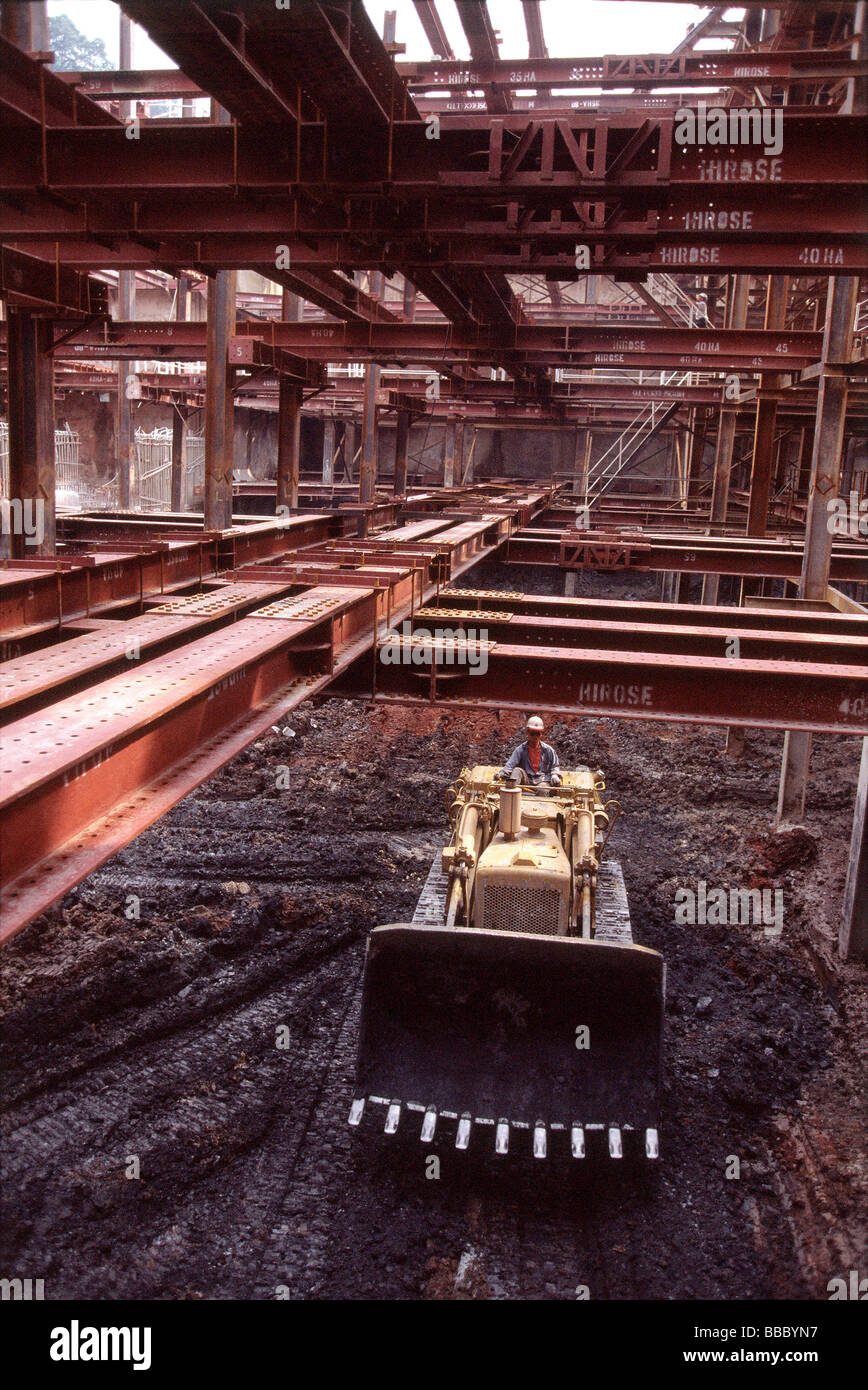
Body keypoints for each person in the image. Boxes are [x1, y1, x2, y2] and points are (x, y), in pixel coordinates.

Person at [498, 716, 561, 788]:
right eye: (533, 733)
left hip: (542, 780)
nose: (535, 736)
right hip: (527, 779)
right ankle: (512, 795)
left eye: (538, 734)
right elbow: (510, 765)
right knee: (517, 771)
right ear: (527, 732)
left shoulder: (549, 750)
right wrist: (501, 774)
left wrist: (555, 775)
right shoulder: (520, 750)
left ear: (541, 733)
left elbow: (555, 766)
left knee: (543, 789)